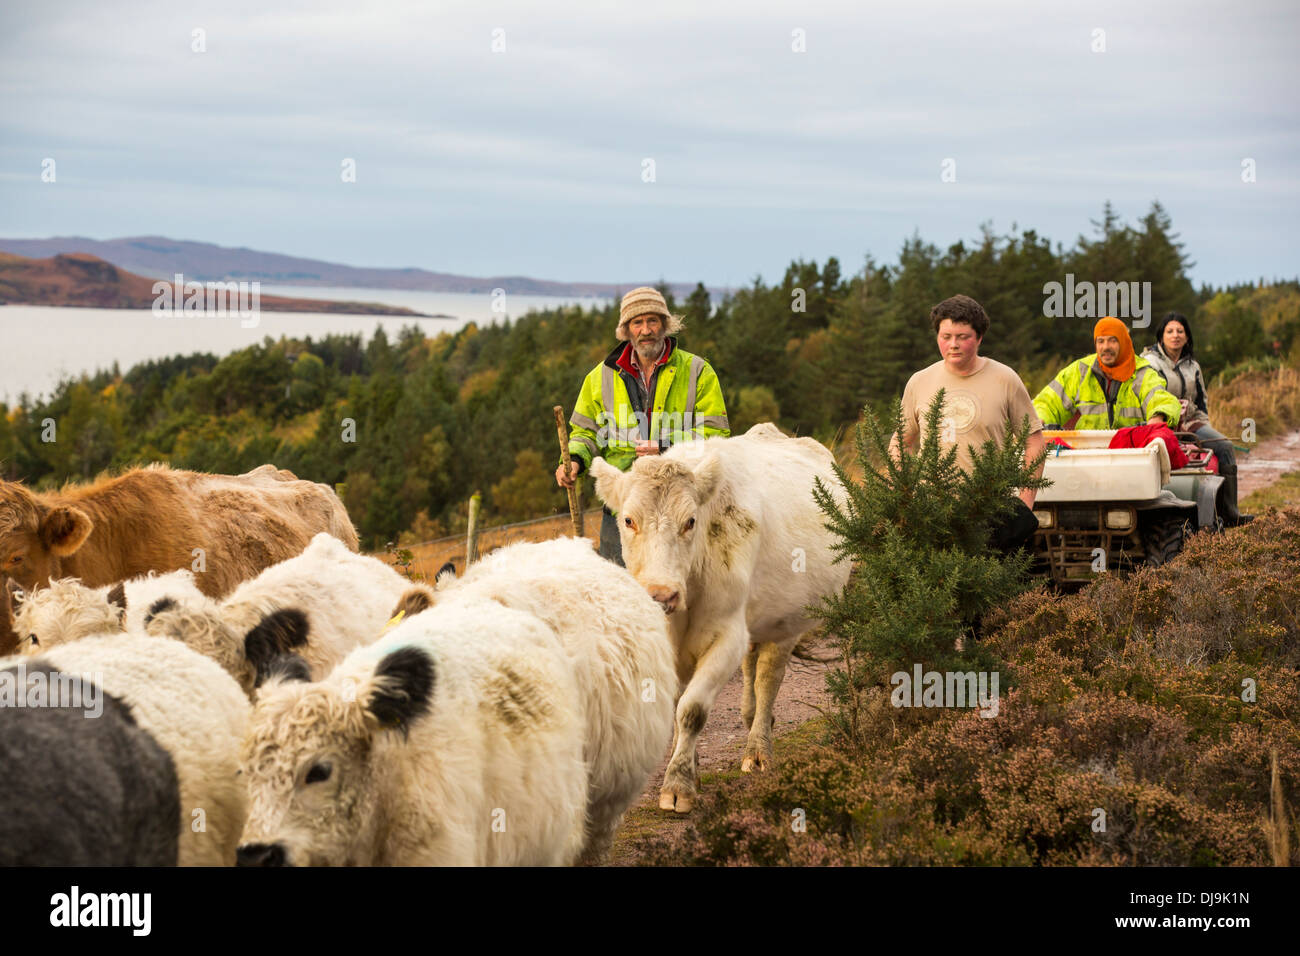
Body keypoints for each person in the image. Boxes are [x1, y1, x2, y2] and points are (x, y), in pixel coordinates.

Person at [555, 287, 730, 564]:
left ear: (665, 325)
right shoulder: (600, 377)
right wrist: (574, 459)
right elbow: (585, 431)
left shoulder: (697, 371)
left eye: (653, 321)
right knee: (618, 589)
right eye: (637, 322)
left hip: (678, 511)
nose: (646, 330)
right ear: (626, 330)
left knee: (670, 593)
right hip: (624, 505)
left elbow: (716, 433)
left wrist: (665, 446)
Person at [891, 294, 1045, 556]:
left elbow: (1034, 440)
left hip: (991, 514)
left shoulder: (1005, 379)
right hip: (933, 514)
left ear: (979, 337)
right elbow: (900, 441)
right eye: (946, 336)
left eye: (963, 337)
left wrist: (1025, 502)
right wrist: (906, 493)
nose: (953, 344)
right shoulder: (919, 382)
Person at [1141, 311, 1252, 525]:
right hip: (1160, 423)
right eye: (1170, 331)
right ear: (1161, 336)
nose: (1175, 335)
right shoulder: (1149, 362)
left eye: (1180, 331)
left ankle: (1229, 512)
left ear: (1187, 336)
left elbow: (1201, 402)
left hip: (1191, 422)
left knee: (1225, 446)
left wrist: (1205, 429)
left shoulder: (1193, 366)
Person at [1033, 316, 1181, 432]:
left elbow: (1162, 400)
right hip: (1085, 452)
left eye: (1112, 341)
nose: (1106, 347)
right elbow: (1048, 402)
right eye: (1100, 341)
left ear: (1123, 342)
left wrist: (1157, 416)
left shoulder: (1143, 373)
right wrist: (1039, 418)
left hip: (1131, 452)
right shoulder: (1080, 370)